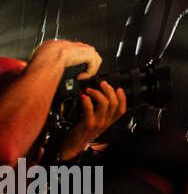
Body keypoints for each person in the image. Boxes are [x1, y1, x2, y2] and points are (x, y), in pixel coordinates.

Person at [0, 40, 127, 168]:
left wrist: (72, 148)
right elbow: (6, 149)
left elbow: (29, 185)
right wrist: (54, 56)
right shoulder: (8, 72)